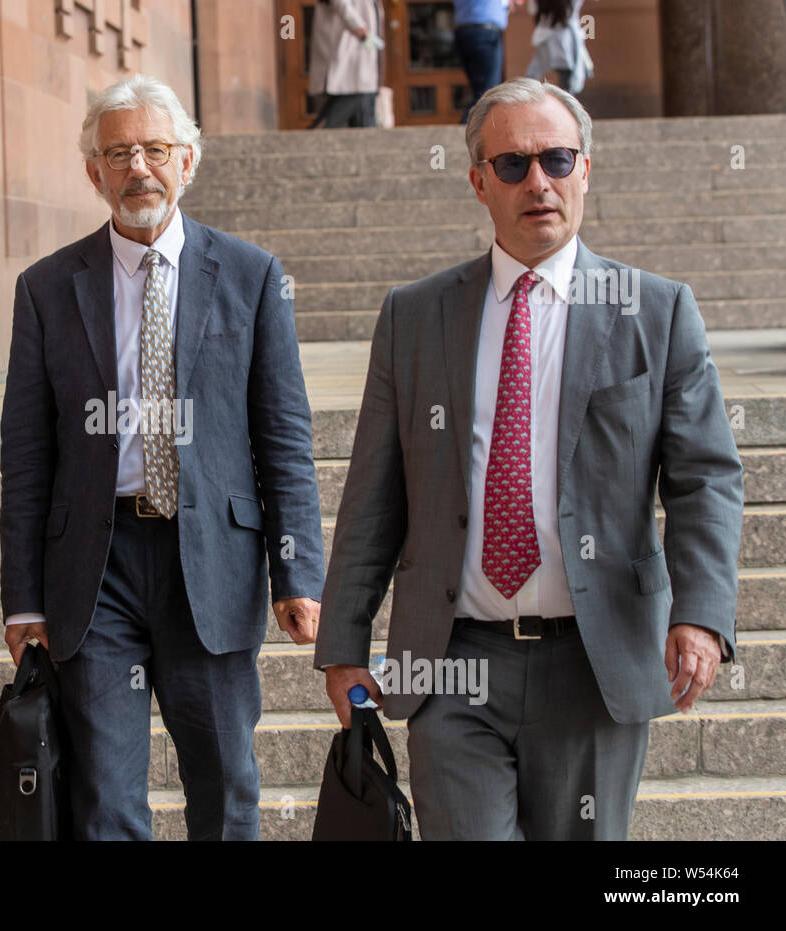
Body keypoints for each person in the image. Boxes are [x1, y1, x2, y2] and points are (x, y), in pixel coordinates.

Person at [314, 78, 743, 840]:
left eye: (556, 159)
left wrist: (702, 614)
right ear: (478, 181)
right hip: (453, 662)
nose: (537, 181)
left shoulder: (656, 310)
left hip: (594, 660)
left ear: (586, 169)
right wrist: (344, 642)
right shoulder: (415, 316)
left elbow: (705, 477)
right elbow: (374, 491)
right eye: (512, 164)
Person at [0, 74, 325, 841]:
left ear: (187, 160)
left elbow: (284, 436)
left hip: (210, 559)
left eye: (153, 149)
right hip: (95, 567)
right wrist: (23, 597)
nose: (137, 168)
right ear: (94, 172)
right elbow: (27, 453)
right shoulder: (47, 288)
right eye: (118, 153)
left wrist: (297, 570)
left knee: (226, 785)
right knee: (105, 798)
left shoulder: (251, 275)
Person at [308, 0, 385, 129]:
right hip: (347, 54)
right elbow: (342, 5)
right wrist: (359, 28)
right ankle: (317, 133)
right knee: (353, 98)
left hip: (360, 59)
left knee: (363, 114)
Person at [454, 0, 518, 121]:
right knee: (488, 92)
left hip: (464, 31)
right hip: (485, 31)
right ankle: (466, 127)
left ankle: (469, 126)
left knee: (481, 91)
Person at [525, 0, 594, 94]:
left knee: (532, 77)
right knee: (568, 80)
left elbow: (532, 10)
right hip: (566, 39)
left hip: (547, 36)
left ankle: (527, 97)